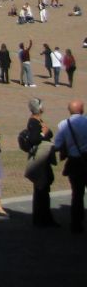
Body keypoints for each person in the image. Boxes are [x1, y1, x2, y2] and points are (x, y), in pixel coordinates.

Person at [52, 98, 87, 233]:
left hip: (74, 161)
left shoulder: (63, 124)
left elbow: (58, 144)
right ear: (81, 109)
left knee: (77, 194)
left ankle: (76, 224)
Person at [22, 97, 58, 227]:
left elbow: (50, 132)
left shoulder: (38, 120)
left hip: (44, 158)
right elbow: (34, 139)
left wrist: (46, 132)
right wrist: (44, 134)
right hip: (40, 159)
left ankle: (44, 217)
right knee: (41, 188)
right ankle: (42, 218)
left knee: (43, 188)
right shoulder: (33, 122)